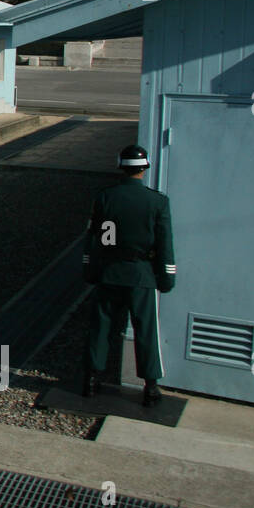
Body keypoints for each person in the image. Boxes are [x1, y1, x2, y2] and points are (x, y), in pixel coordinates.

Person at [81, 144, 176, 407]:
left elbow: (96, 238)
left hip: (110, 272)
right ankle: (151, 385)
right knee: (146, 330)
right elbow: (165, 244)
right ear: (144, 169)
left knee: (101, 327)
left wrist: (91, 269)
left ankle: (90, 378)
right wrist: (166, 277)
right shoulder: (158, 202)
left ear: (121, 167)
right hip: (142, 275)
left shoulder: (105, 198)